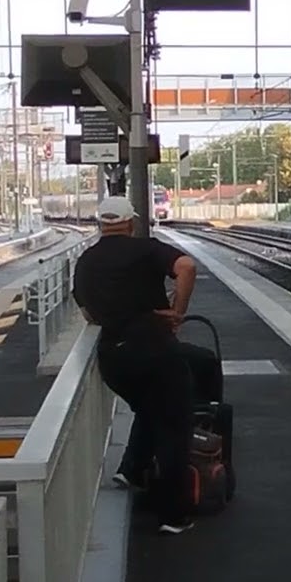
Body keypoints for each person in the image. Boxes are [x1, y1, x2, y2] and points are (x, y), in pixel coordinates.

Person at [72, 196, 199, 535]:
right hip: (155, 351)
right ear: (130, 223)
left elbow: (87, 313)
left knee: (149, 406)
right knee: (174, 425)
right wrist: (178, 311)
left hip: (115, 360)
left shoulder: (84, 261)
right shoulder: (145, 249)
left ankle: (131, 468)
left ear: (101, 224)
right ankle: (173, 516)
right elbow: (186, 267)